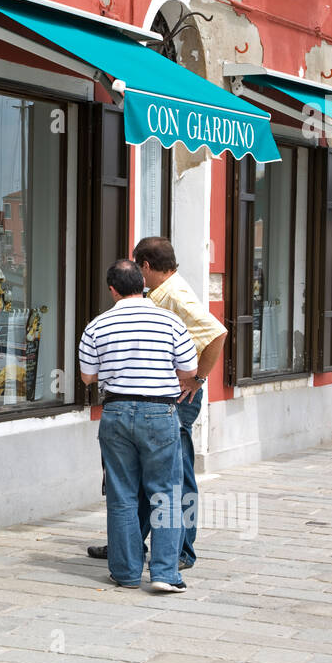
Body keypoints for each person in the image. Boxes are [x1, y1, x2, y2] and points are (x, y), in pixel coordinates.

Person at [86, 237, 226, 571]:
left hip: (177, 394)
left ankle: (182, 549)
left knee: (179, 475)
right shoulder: (161, 294)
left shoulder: (173, 294)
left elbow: (216, 332)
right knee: (157, 475)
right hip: (160, 395)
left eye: (138, 267)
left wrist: (197, 379)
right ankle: (132, 543)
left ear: (146, 266)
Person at [79, 259, 198, 592]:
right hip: (160, 413)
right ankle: (164, 573)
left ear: (112, 289)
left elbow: (87, 376)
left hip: (115, 412)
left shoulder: (97, 325)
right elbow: (188, 369)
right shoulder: (170, 321)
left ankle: (127, 573)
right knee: (167, 496)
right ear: (143, 285)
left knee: (122, 497)